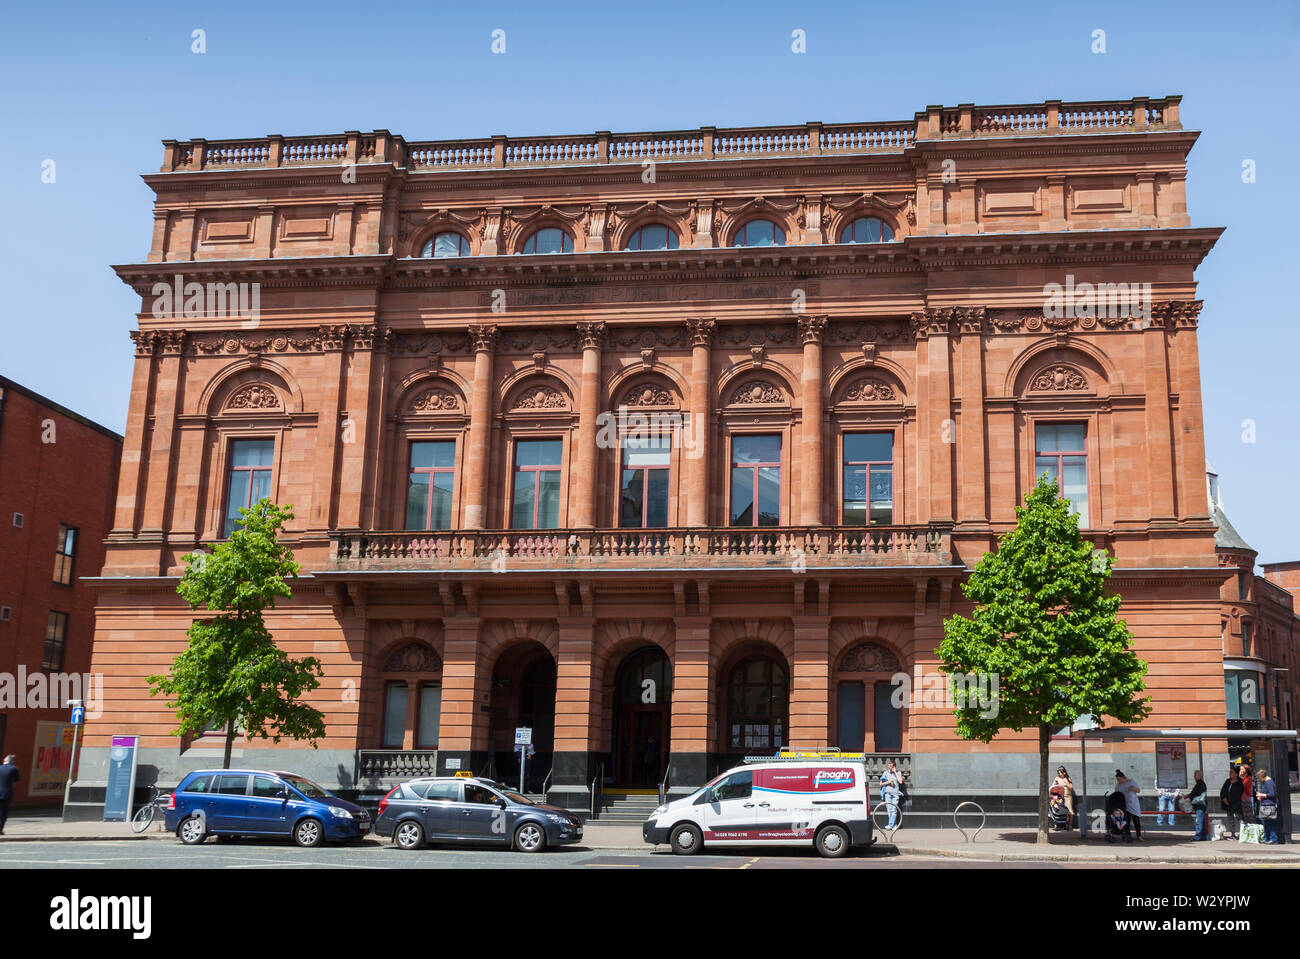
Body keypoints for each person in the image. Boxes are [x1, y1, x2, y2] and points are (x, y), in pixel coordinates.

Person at [1116, 770, 1142, 841]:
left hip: (1133, 804)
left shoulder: (1131, 782)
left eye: (1120, 779)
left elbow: (1138, 790)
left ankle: (1139, 835)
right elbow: (1116, 794)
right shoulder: (1118, 786)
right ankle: (1128, 835)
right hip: (1124, 805)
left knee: (1136, 821)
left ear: (1124, 778)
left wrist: (1133, 788)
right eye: (1117, 780)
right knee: (1126, 821)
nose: (1119, 781)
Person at [1255, 768, 1279, 844]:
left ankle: (1273, 839)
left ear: (1262, 776)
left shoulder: (1269, 783)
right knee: (1266, 823)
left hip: (1269, 805)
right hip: (1266, 804)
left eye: (1259, 778)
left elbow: (1272, 794)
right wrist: (1261, 797)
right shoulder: (1266, 782)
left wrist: (1262, 795)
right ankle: (1267, 838)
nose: (1259, 780)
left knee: (1271, 823)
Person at [1219, 766, 1244, 839]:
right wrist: (1224, 799)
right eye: (1230, 772)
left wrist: (1231, 801)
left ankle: (1242, 833)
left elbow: (1239, 793)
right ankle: (1233, 834)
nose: (1230, 774)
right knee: (1230, 819)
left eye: (1232, 772)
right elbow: (1223, 791)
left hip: (1236, 804)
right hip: (1228, 805)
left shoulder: (1240, 782)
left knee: (1239, 818)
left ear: (1236, 774)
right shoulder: (1227, 781)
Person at [1187, 770, 1209, 841]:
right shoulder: (1201, 783)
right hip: (1201, 805)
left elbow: (1194, 793)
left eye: (1195, 775)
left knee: (1199, 821)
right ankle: (1204, 836)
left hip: (1200, 805)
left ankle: (1198, 836)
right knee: (1202, 821)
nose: (1194, 777)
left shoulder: (1200, 784)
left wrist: (1188, 796)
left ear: (1200, 776)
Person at [879, 761, 902, 829]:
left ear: (894, 766)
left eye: (892, 766)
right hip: (887, 793)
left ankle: (891, 825)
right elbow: (881, 784)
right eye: (889, 766)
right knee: (889, 809)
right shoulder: (885, 773)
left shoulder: (898, 773)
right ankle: (894, 825)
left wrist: (895, 772)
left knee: (894, 809)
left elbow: (900, 781)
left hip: (895, 794)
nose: (890, 768)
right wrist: (888, 782)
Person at [0, 755, 19, 835]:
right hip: (6, 793)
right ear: (12, 761)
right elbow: (16, 779)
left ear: (4, 760)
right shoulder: (14, 768)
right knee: (3, 813)